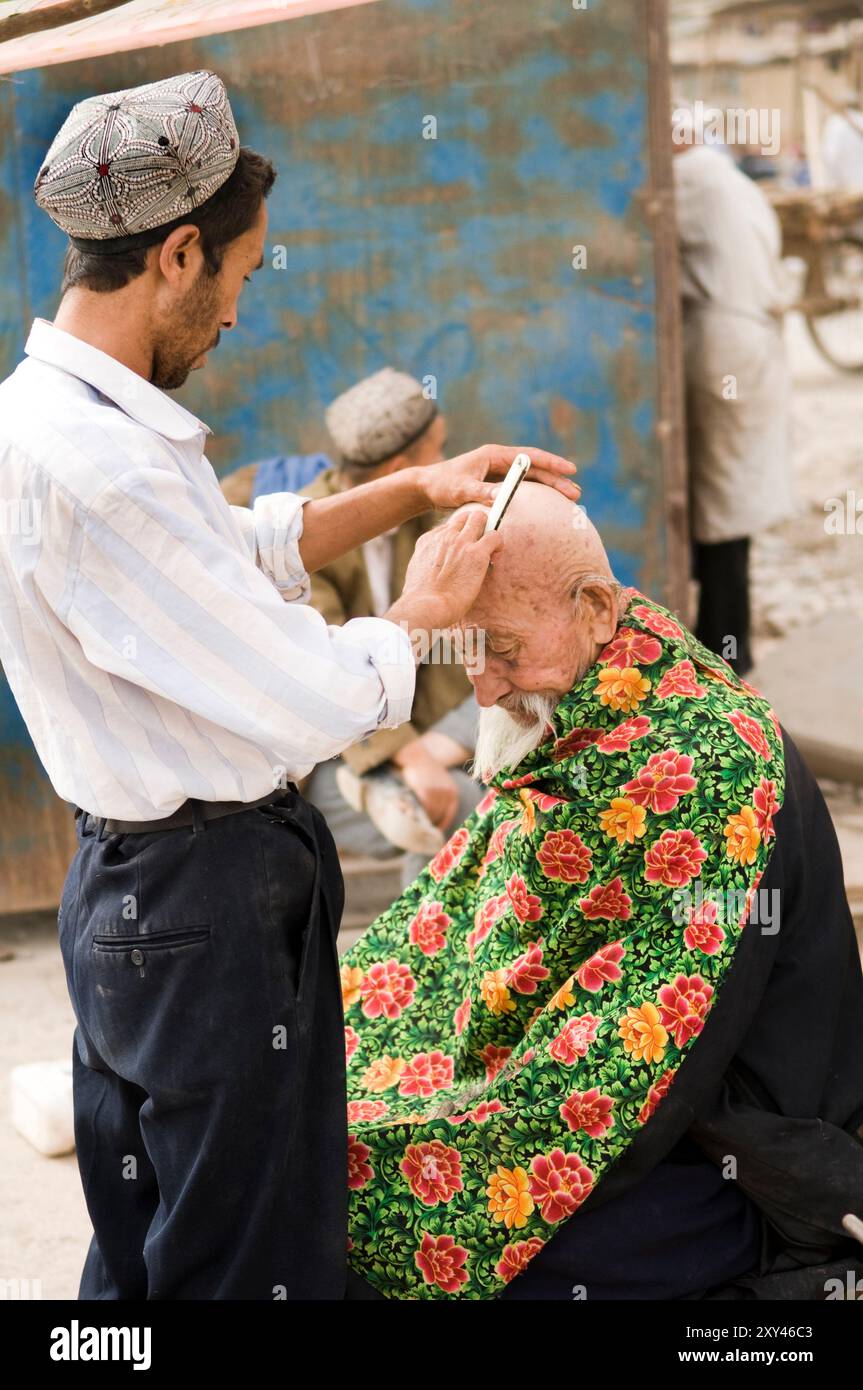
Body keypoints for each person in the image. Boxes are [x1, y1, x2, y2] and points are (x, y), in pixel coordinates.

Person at [0, 70, 579, 1300]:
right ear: (177, 253)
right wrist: (420, 610)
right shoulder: (100, 467)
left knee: (151, 1234)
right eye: (243, 279)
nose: (237, 317)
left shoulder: (47, 420)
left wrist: (415, 491)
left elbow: (232, 552)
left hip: (144, 895)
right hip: (199, 908)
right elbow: (315, 697)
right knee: (244, 1257)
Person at [341, 483, 863, 1301]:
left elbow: (639, 1080)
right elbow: (452, 929)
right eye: (465, 652)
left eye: (503, 650)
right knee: (314, 1106)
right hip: (611, 1097)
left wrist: (449, 1137)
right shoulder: (585, 701)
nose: (482, 688)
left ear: (591, 605)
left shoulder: (708, 768)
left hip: (718, 1149)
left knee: (373, 1206)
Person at [301, 368, 481, 883]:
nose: (446, 464)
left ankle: (423, 953)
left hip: (441, 739)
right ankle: (424, 956)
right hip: (341, 756)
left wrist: (432, 749)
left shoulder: (437, 517)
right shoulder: (307, 537)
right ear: (402, 467)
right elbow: (329, 680)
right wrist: (411, 759)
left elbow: (486, 648)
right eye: (439, 450)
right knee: (453, 805)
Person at [672, 111, 794, 675]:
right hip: (749, 342)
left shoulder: (690, 177)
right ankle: (724, 638)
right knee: (729, 500)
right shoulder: (726, 177)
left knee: (719, 506)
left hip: (723, 347)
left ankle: (725, 648)